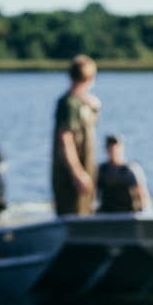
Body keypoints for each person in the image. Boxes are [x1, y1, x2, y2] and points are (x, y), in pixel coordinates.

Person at [51, 54, 100, 217]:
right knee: (73, 214)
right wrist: (78, 174)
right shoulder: (69, 104)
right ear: (90, 77)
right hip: (71, 176)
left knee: (86, 211)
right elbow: (65, 139)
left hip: (84, 169)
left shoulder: (81, 102)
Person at [94, 134, 150, 214]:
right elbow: (93, 194)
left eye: (116, 147)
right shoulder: (101, 170)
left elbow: (142, 195)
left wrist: (143, 213)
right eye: (110, 147)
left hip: (127, 214)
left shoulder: (131, 170)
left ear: (121, 148)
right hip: (106, 213)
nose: (113, 150)